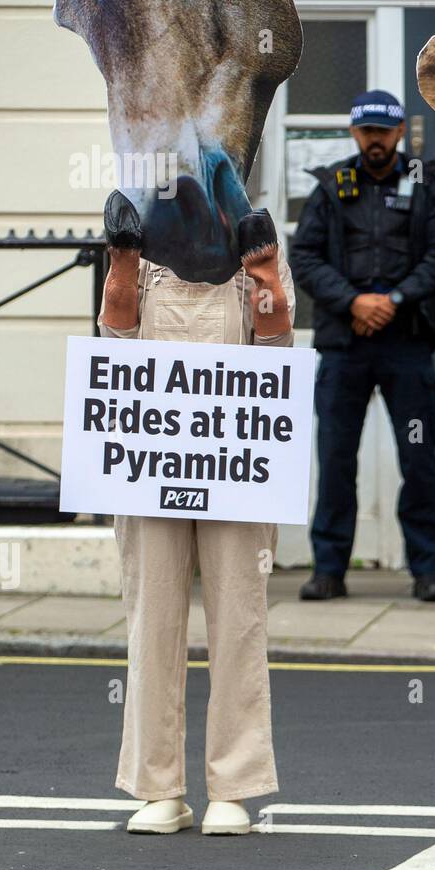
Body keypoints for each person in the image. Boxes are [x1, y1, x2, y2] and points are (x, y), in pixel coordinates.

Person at [99, 193, 294, 836]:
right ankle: (159, 786)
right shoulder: (142, 237)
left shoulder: (247, 236)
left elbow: (275, 344)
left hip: (236, 463)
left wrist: (264, 271)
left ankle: (233, 785)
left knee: (238, 620)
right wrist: (123, 262)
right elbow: (117, 340)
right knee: (152, 619)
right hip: (153, 463)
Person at [290, 89, 435, 603]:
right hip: (345, 348)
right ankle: (329, 569)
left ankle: (428, 570)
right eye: (366, 132)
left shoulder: (424, 183)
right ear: (354, 133)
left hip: (406, 347)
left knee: (418, 457)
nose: (375, 142)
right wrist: (353, 303)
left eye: (383, 133)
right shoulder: (332, 186)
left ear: (398, 135)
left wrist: (393, 298)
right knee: (337, 457)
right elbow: (305, 258)